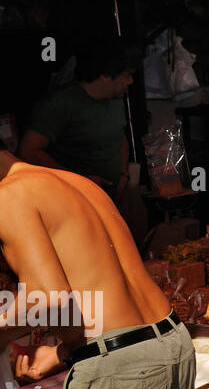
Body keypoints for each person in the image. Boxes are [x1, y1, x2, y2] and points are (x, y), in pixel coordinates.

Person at [0, 150, 195, 389]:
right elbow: (97, 290)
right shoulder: (75, 182)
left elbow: (48, 296)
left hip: (123, 371)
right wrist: (64, 350)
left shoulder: (8, 197)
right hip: (170, 342)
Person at [18, 37, 146, 245]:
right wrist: (79, 180)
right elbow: (28, 151)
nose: (131, 82)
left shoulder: (115, 100)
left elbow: (119, 137)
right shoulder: (59, 104)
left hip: (112, 203)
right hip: (74, 209)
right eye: (126, 75)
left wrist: (123, 174)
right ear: (105, 75)